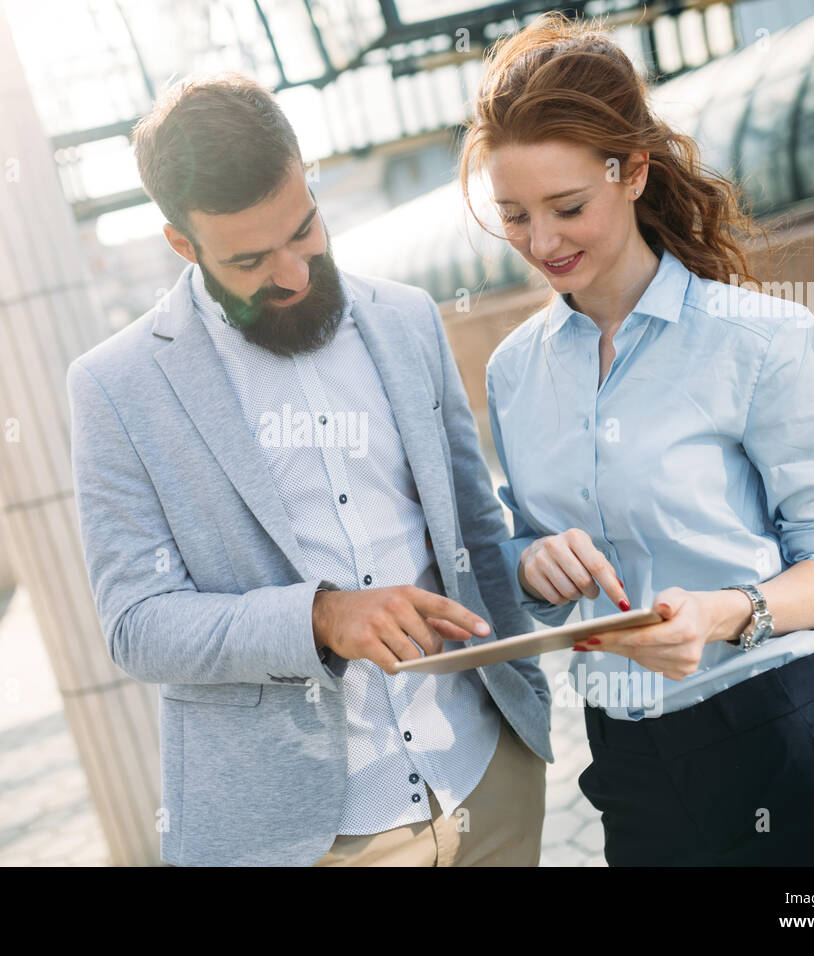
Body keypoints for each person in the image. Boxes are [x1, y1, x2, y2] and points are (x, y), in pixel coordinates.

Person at [461, 13, 814, 865]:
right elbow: (528, 558)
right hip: (632, 769)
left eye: (567, 208)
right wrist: (533, 562)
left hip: (788, 745)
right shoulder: (512, 373)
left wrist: (728, 612)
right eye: (514, 215)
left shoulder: (758, 339)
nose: (541, 243)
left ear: (634, 170)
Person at [66, 72, 551, 867]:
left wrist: (529, 693)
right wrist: (320, 617)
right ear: (182, 246)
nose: (293, 272)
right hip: (302, 841)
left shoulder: (406, 318)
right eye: (252, 258)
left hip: (485, 782)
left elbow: (473, 527)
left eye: (305, 229)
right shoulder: (117, 388)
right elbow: (136, 625)